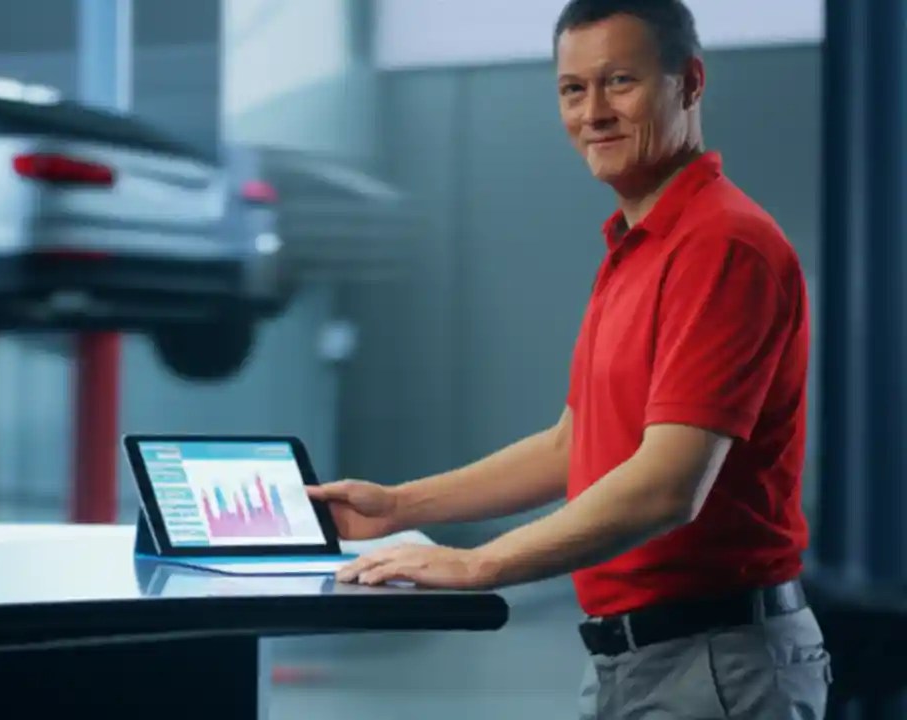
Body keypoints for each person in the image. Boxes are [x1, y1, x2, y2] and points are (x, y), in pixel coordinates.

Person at [306, 0, 831, 717]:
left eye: (620, 82)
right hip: (635, 659)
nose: (594, 113)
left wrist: (479, 563)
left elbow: (667, 486)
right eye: (573, 89)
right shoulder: (635, 247)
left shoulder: (722, 246)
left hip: (715, 665)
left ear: (690, 82)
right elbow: (573, 445)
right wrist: (398, 508)